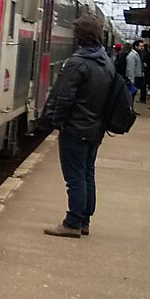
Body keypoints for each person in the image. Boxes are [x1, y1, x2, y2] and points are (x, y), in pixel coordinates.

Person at [40, 15, 115, 239]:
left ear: (79, 37)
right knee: (87, 174)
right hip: (95, 128)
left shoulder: (78, 63)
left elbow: (64, 97)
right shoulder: (106, 63)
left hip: (76, 128)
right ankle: (84, 220)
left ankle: (72, 222)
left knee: (74, 177)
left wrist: (57, 121)